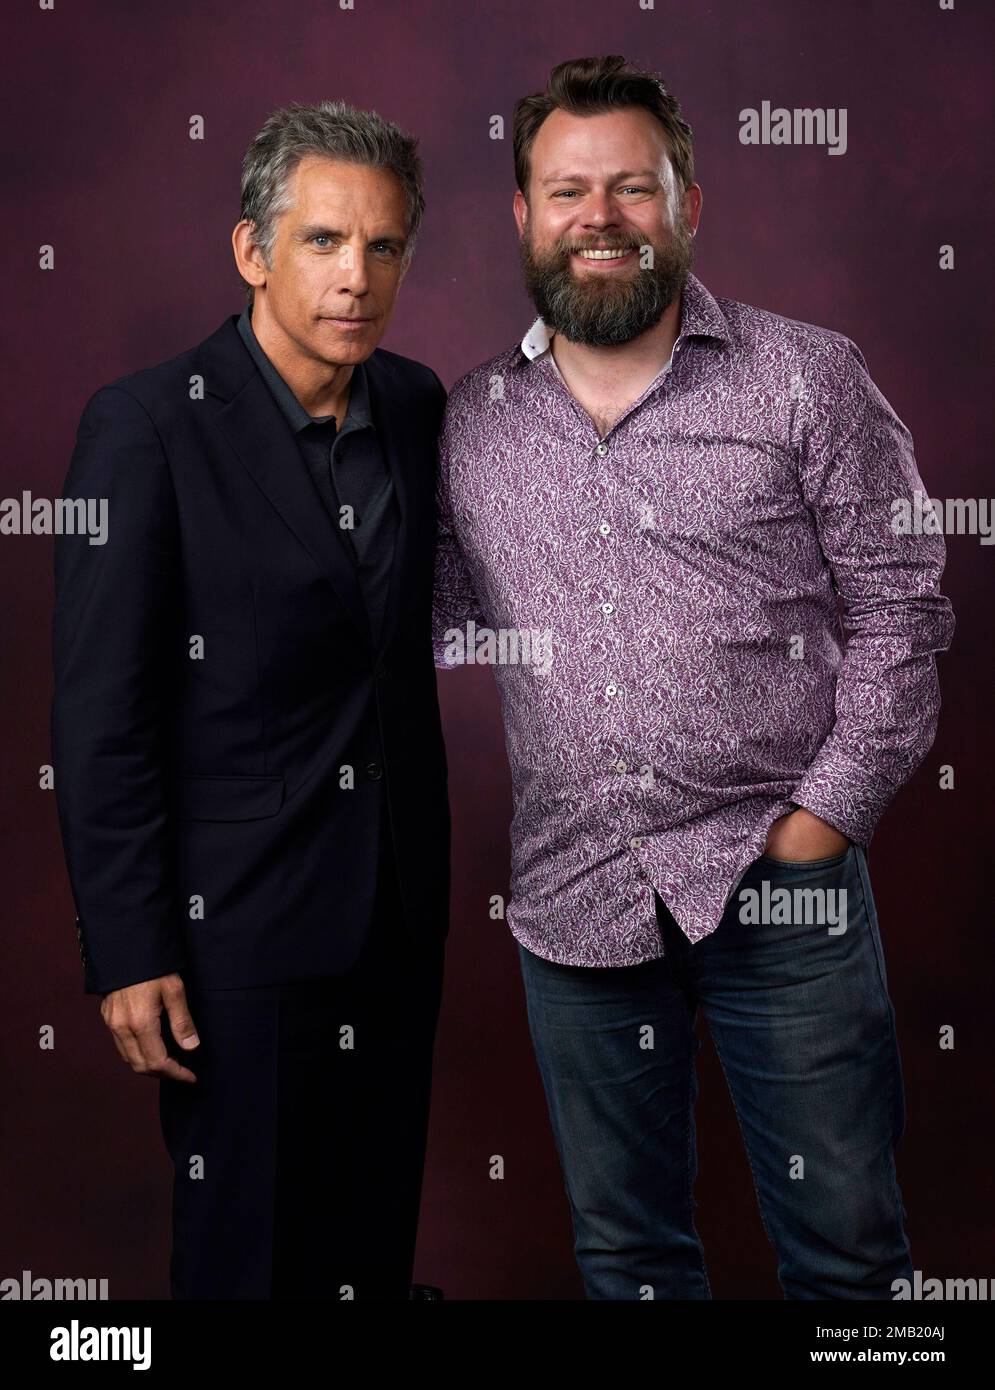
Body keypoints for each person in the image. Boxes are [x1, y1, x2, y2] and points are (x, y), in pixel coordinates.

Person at [433, 55, 955, 1299]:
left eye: (631, 188)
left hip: (781, 893)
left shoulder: (806, 377)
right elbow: (429, 626)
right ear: (521, 215)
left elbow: (901, 611)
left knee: (848, 1257)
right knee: (627, 1258)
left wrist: (818, 827)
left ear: (686, 205)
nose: (598, 219)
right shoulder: (467, 423)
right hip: (572, 898)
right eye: (567, 192)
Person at [52, 99, 450, 1300]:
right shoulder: (143, 428)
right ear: (251, 252)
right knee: (250, 1264)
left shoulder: (421, 406)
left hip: (393, 913)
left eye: (383, 247)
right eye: (325, 241)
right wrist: (128, 946)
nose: (356, 278)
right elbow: (98, 712)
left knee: (367, 1255)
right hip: (233, 934)